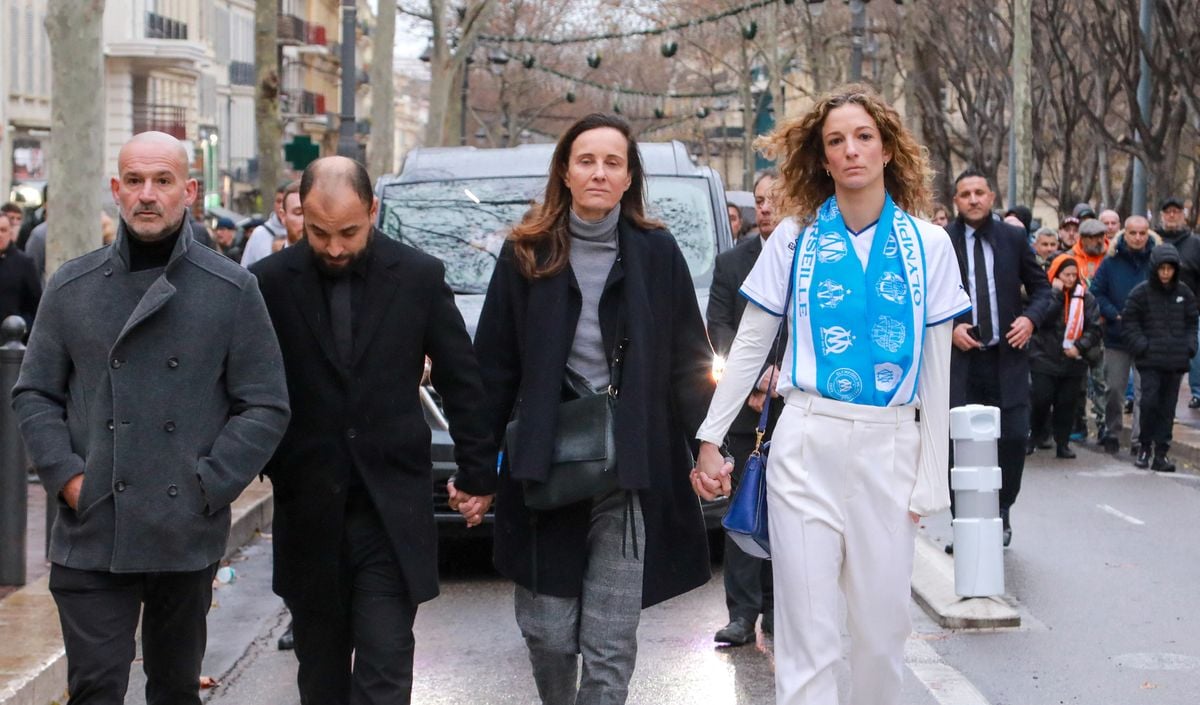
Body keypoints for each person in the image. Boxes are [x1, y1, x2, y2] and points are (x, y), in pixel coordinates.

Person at [692, 85, 971, 705]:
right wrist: (710, 437)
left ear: (888, 149)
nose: (851, 151)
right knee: (806, 631)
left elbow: (935, 372)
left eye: (864, 137)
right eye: (836, 141)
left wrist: (933, 475)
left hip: (890, 445)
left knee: (880, 632)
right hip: (806, 441)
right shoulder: (793, 238)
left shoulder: (929, 245)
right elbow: (750, 344)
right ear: (821, 159)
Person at [11, 131, 290, 705]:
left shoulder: (231, 288)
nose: (147, 194)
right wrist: (68, 479)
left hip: (181, 529)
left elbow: (265, 403)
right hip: (92, 526)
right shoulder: (73, 284)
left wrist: (206, 484)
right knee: (95, 687)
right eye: (134, 181)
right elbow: (34, 392)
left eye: (162, 181)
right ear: (116, 189)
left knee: (173, 690)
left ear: (188, 190)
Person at [473, 113, 715, 705]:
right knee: (550, 634)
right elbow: (492, 370)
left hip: (628, 467)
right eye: (587, 161)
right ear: (565, 170)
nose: (599, 173)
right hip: (544, 469)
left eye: (613, 162)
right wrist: (478, 473)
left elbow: (689, 359)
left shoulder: (657, 253)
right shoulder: (526, 253)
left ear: (630, 176)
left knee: (610, 643)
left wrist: (710, 445)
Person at [251, 156, 496, 705]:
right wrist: (265, 463)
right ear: (300, 218)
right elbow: (244, 388)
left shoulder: (419, 276)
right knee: (321, 676)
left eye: (349, 232)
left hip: (391, 509)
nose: (334, 248)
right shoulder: (267, 284)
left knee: (385, 666)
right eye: (318, 233)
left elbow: (462, 380)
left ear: (372, 211)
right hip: (309, 510)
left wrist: (479, 472)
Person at [946, 168, 1053, 550]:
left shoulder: (1013, 238)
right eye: (965, 194)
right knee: (957, 446)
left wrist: (1029, 319)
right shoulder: (942, 241)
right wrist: (950, 329)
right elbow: (923, 299)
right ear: (955, 201)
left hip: (1006, 360)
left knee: (1011, 439)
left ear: (991, 197)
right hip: (961, 363)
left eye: (979, 192)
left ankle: (1002, 511)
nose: (973, 199)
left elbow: (1043, 291)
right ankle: (963, 523)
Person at [706, 169, 779, 647]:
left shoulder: (810, 257)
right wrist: (753, 379)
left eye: (776, 199)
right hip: (745, 408)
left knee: (786, 514)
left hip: (794, 403)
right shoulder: (733, 262)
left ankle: (779, 608)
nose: (767, 207)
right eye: (760, 200)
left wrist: (782, 374)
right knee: (742, 509)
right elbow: (719, 326)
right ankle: (742, 612)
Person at [1122, 243, 1199, 471]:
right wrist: (1141, 346)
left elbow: (1191, 321)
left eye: (1170, 269)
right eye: (1162, 268)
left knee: (1168, 408)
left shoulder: (1184, 293)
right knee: (1149, 403)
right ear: (1155, 268)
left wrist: (1189, 347)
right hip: (1150, 360)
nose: (1166, 273)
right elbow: (1130, 322)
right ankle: (1144, 447)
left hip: (1175, 361)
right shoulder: (1141, 293)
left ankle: (1162, 452)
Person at [1091, 215, 1156, 454]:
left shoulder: (1156, 260)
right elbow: (1096, 292)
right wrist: (1113, 314)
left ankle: (1140, 439)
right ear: (1124, 234)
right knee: (1115, 389)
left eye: (1142, 233)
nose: (1138, 238)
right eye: (1133, 233)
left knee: (1143, 391)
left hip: (1147, 336)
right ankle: (1112, 431)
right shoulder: (1111, 262)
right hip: (1117, 335)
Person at [1027, 255, 1102, 459]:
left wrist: (1079, 347)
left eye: (1073, 275)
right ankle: (1034, 435)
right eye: (1065, 275)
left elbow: (1094, 327)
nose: (1070, 279)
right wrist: (1057, 295)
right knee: (1041, 399)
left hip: (1072, 360)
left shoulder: (1086, 297)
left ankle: (1063, 443)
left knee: (1066, 404)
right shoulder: (1046, 294)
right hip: (1044, 356)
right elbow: (1042, 319)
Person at [1155, 197, 1200, 409]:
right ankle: (1135, 395)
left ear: (1183, 215)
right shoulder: (1153, 240)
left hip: (1190, 309)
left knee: (1196, 352)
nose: (1172, 215)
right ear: (1162, 215)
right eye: (1168, 212)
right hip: (1155, 308)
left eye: (1176, 211)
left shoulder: (1195, 243)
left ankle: (1197, 392)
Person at [0, 214, 41, 333]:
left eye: (3, 230)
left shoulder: (24, 263)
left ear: (11, 232)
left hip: (13, 338)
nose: (0, 235)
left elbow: (35, 303)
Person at [241, 181, 290, 268]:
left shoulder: (303, 233)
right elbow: (245, 269)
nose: (281, 206)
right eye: (278, 201)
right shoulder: (259, 234)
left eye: (285, 201)